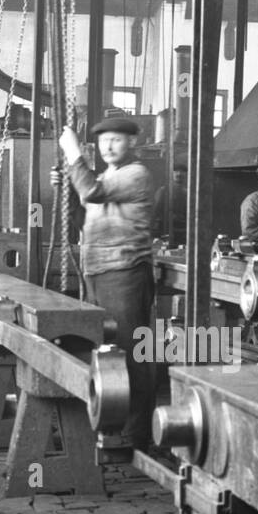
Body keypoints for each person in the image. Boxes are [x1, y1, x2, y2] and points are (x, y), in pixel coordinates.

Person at [59, 116, 156, 451]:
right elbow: (82, 218)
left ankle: (136, 434)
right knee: (106, 352)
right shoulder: (105, 176)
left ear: (132, 143)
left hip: (125, 271)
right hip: (97, 271)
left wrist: (73, 153)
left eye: (116, 139)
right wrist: (67, 190)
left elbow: (92, 192)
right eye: (104, 141)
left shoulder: (136, 174)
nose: (109, 146)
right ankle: (112, 423)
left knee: (131, 352)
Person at [153, 160, 187, 245]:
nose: (179, 174)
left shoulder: (188, 193)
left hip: (183, 232)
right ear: (171, 174)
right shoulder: (163, 191)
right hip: (166, 231)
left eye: (182, 171)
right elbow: (156, 212)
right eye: (176, 171)